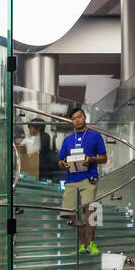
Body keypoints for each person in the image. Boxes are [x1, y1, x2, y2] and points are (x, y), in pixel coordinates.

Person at [57, 107, 107, 254]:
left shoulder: (95, 136)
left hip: (88, 179)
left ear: (85, 117)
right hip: (71, 180)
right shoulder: (67, 140)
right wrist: (64, 164)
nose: (77, 120)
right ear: (71, 121)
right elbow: (60, 162)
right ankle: (83, 244)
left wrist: (91, 159)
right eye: (74, 118)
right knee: (70, 212)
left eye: (79, 117)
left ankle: (92, 243)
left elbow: (104, 158)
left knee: (89, 209)